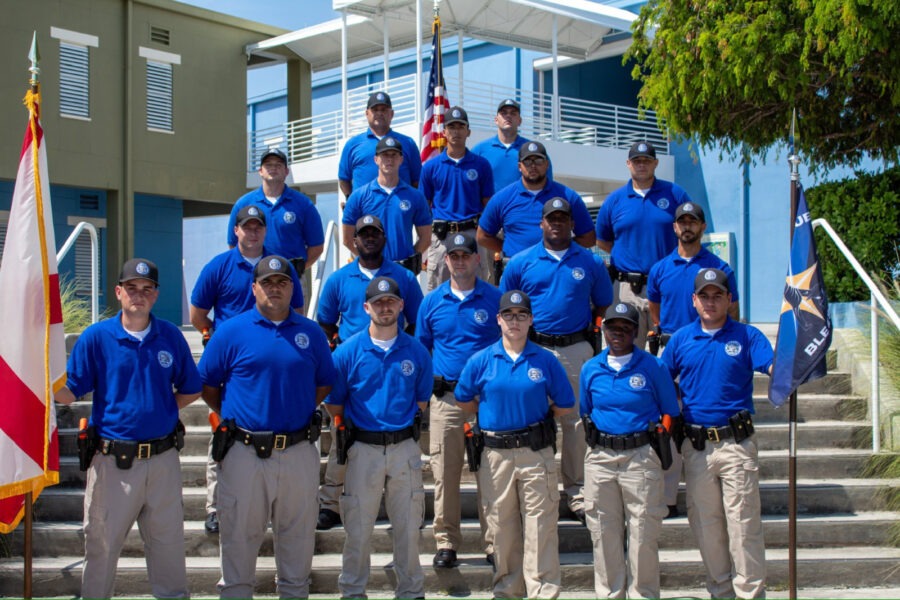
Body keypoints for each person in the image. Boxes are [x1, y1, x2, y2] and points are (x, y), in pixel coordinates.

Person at [55, 258, 201, 600]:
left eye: (146, 289)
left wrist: (163, 409)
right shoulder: (96, 338)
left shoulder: (171, 337)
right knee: (101, 548)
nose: (139, 295)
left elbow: (192, 388)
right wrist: (39, 380)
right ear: (119, 292)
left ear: (156, 295)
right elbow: (68, 392)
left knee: (168, 549)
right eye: (131, 289)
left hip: (162, 460)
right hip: (112, 464)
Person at [198, 255, 336, 598]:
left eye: (283, 282)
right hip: (244, 454)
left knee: (297, 545)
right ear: (254, 287)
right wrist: (242, 417)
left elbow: (323, 384)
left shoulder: (311, 334)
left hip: (298, 452)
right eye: (268, 283)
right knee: (238, 545)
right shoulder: (230, 332)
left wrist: (293, 410)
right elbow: (208, 386)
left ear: (293, 288)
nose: (275, 289)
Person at [191, 205, 304, 535]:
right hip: (232, 363)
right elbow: (197, 313)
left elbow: (295, 309)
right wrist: (215, 337)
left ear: (265, 231)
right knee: (223, 434)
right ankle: (216, 505)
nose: (253, 232)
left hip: (271, 358)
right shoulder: (220, 266)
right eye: (247, 227)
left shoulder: (279, 266)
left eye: (258, 227)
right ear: (236, 230)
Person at [662, 268, 773, 599]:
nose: (711, 302)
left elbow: (774, 367)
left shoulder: (747, 336)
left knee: (743, 525)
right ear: (694, 300)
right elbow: (661, 381)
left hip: (736, 445)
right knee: (706, 526)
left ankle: (750, 593)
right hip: (695, 448)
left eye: (718, 295)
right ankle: (721, 591)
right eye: (704, 296)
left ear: (729, 299)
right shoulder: (680, 339)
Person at [455, 290, 574, 599]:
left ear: (531, 320)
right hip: (495, 455)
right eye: (509, 315)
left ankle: (543, 592)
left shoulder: (545, 360)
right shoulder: (481, 360)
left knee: (540, 527)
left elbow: (564, 404)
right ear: (498, 320)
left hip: (536, 453)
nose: (515, 321)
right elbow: (463, 399)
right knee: (501, 529)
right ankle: (507, 591)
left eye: (522, 315)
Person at [500, 197, 613, 521]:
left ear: (572, 223)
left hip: (576, 349)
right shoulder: (521, 263)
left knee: (575, 423)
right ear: (542, 223)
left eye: (563, 218)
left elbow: (603, 304)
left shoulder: (589, 262)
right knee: (533, 421)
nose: (557, 224)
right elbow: (506, 307)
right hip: (532, 350)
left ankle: (576, 492)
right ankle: (540, 490)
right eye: (552, 219)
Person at [324, 276, 433, 599]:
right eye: (379, 303)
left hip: (404, 449)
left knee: (408, 530)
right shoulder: (347, 353)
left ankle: (411, 592)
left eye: (391, 302)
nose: (385, 308)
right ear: (366, 307)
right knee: (357, 531)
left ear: (401, 306)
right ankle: (353, 591)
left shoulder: (416, 352)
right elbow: (334, 403)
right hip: (363, 450)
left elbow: (422, 401)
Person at [314, 214, 424, 531]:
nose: (369, 238)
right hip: (353, 368)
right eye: (363, 234)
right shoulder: (339, 279)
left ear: (384, 238)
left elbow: (416, 322)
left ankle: (398, 503)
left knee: (395, 439)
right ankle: (331, 503)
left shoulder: (403, 276)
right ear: (355, 240)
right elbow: (325, 322)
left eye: (375, 233)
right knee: (342, 436)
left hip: (394, 366)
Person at [580, 302, 680, 598]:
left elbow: (669, 410)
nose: (619, 333)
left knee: (643, 534)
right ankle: (610, 594)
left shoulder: (654, 366)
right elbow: (586, 410)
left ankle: (643, 593)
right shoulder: (590, 368)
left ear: (636, 332)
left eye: (626, 327)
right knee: (603, 532)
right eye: (613, 327)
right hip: (600, 457)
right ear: (603, 330)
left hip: (640, 456)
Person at [415, 231, 502, 568]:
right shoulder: (432, 302)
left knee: (490, 474)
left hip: (487, 401)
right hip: (446, 400)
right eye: (455, 256)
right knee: (445, 473)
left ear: (477, 258)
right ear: (446, 260)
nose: (461, 261)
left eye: (467, 255)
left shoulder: (495, 299)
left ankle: (494, 542)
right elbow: (421, 352)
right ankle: (447, 542)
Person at [646, 202, 739, 517]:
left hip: (708, 351)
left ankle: (711, 490)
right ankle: (669, 496)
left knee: (701, 419)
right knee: (669, 425)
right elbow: (654, 308)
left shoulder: (720, 269)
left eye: (693, 221)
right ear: (674, 227)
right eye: (682, 221)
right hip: (673, 348)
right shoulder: (660, 268)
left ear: (702, 227)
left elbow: (733, 311)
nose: (687, 226)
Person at [595, 140, 691, 348]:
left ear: (655, 163)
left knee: (672, 350)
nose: (641, 165)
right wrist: (629, 255)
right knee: (625, 351)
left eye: (646, 160)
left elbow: (690, 232)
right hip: (627, 289)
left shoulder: (675, 194)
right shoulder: (615, 200)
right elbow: (602, 240)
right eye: (636, 161)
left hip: (667, 284)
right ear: (628, 164)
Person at [477, 141, 595, 260]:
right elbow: (482, 236)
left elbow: (589, 237)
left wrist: (562, 249)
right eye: (527, 161)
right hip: (517, 271)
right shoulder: (502, 198)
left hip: (557, 268)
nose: (533, 166)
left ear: (547, 164)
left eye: (538, 161)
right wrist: (510, 249)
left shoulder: (568, 196)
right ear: (519, 166)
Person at [420, 106, 494, 288]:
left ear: (468, 131)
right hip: (442, 237)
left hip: (473, 234)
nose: (456, 132)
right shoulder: (431, 167)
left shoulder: (481, 165)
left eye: (461, 127)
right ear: (444, 131)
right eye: (451, 127)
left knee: (479, 289)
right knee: (437, 290)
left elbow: (489, 206)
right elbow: (423, 207)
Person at [226, 149, 324, 283]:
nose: (273, 168)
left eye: (278, 165)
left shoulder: (304, 204)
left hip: (291, 279)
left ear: (286, 171)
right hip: (253, 279)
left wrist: (295, 270)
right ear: (260, 171)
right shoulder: (243, 204)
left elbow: (317, 246)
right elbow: (233, 243)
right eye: (268, 165)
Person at [342, 136, 432, 274]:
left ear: (401, 159)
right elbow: (347, 240)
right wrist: (368, 259)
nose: (389, 159)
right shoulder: (358, 197)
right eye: (384, 155)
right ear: (376, 159)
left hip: (403, 271)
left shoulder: (416, 197)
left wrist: (409, 257)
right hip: (371, 273)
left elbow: (426, 238)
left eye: (394, 155)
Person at [338, 91, 422, 197]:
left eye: (384, 110)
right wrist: (351, 201)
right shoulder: (352, 144)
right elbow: (343, 179)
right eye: (375, 110)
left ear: (391, 114)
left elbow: (417, 180)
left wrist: (410, 202)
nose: (379, 113)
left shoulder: (408, 143)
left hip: (400, 210)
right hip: (364, 211)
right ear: (367, 113)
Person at [472, 98, 552, 193]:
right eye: (504, 113)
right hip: (490, 207)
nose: (508, 116)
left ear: (519, 120)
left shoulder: (534, 151)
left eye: (513, 113)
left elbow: (548, 187)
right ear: (496, 120)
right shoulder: (480, 150)